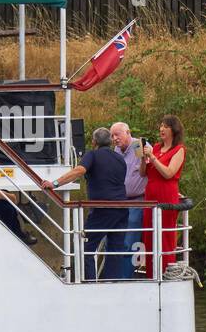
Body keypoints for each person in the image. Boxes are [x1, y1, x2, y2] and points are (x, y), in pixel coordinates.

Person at [49, 127, 127, 281]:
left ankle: (90, 283)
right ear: (111, 141)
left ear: (94, 142)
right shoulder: (120, 159)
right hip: (122, 208)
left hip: (102, 210)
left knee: (86, 247)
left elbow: (79, 170)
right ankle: (114, 282)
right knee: (115, 249)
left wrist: (55, 183)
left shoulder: (92, 155)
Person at [141, 115, 186, 279]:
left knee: (165, 236)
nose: (161, 129)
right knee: (149, 235)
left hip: (166, 194)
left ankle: (167, 273)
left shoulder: (179, 149)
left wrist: (152, 157)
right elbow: (143, 173)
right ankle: (151, 274)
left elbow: (169, 173)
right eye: (160, 126)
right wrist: (143, 159)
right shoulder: (157, 147)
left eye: (165, 126)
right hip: (151, 194)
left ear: (173, 130)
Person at [110, 122, 147, 279]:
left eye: (118, 134)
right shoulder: (117, 150)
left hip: (136, 201)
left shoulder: (139, 146)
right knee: (115, 239)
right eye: (112, 135)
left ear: (128, 132)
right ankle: (115, 276)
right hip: (120, 201)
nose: (115, 138)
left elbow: (146, 170)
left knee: (130, 241)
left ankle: (125, 278)